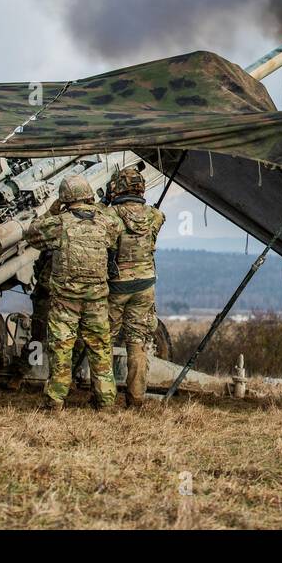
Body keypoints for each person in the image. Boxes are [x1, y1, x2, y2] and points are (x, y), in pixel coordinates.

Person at [25, 175, 122, 411]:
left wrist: (53, 210)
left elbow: (32, 234)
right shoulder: (105, 223)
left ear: (65, 198)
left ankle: (56, 400)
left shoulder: (59, 224)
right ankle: (106, 401)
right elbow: (116, 228)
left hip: (65, 300)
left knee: (61, 348)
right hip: (97, 298)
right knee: (100, 347)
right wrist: (96, 206)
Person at [104, 163, 165, 408]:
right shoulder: (155, 216)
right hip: (145, 284)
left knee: (105, 341)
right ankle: (136, 398)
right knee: (137, 342)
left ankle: (104, 396)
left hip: (117, 286)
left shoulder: (111, 216)